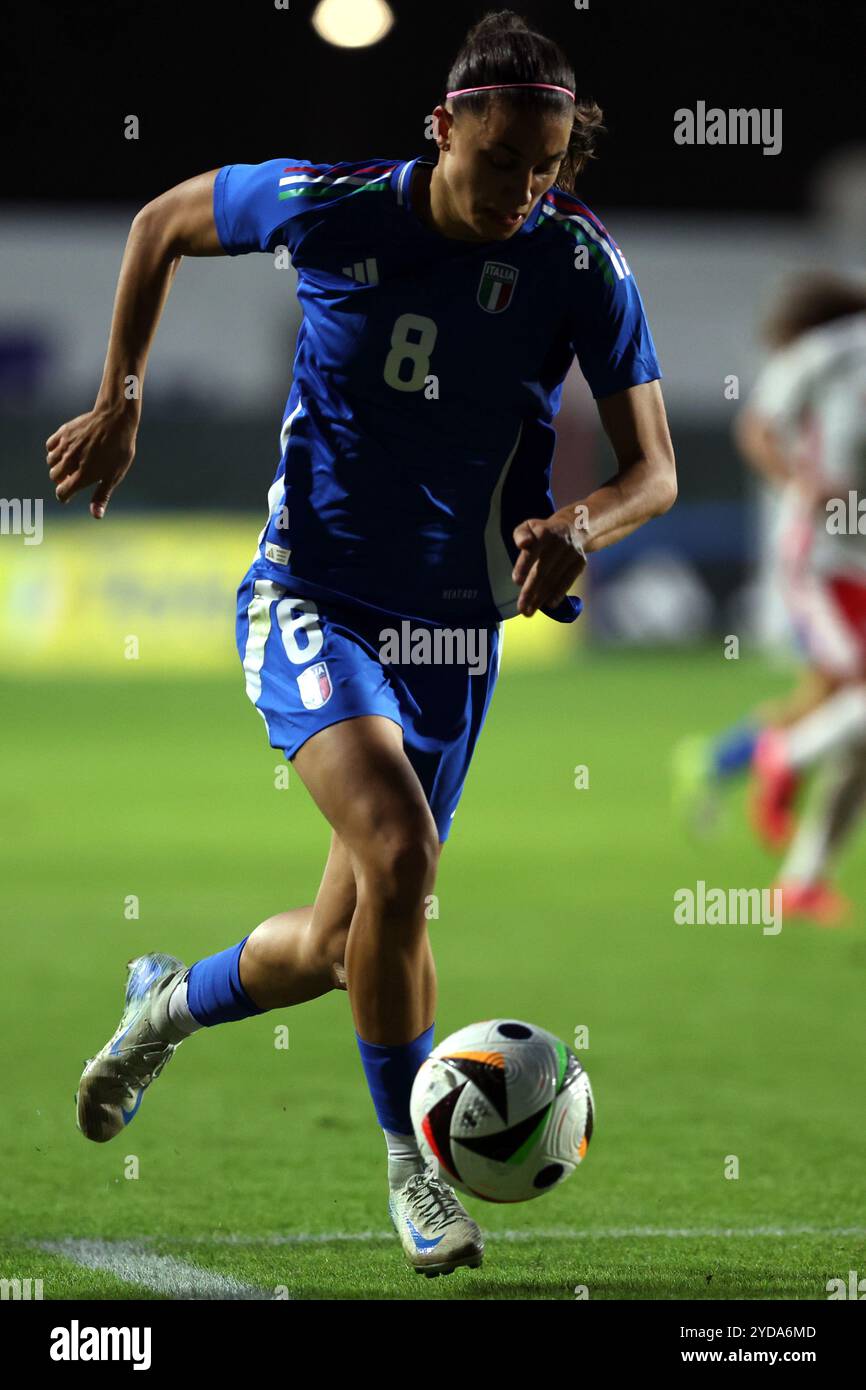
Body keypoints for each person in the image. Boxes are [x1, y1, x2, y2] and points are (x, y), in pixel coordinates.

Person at [47, 10, 676, 1275]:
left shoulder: (579, 265)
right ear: (442, 129)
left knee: (347, 944)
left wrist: (581, 525)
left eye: (546, 169)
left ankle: (159, 1006)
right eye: (501, 162)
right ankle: (412, 1163)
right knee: (399, 845)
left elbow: (651, 468)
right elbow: (158, 224)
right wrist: (121, 401)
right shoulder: (328, 207)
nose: (522, 192)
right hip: (310, 596)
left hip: (452, 631)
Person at [675, 273, 866, 923]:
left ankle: (804, 877)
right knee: (842, 699)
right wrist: (803, 484)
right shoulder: (834, 350)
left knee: (846, 713)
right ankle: (762, 756)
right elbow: (757, 428)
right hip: (826, 559)